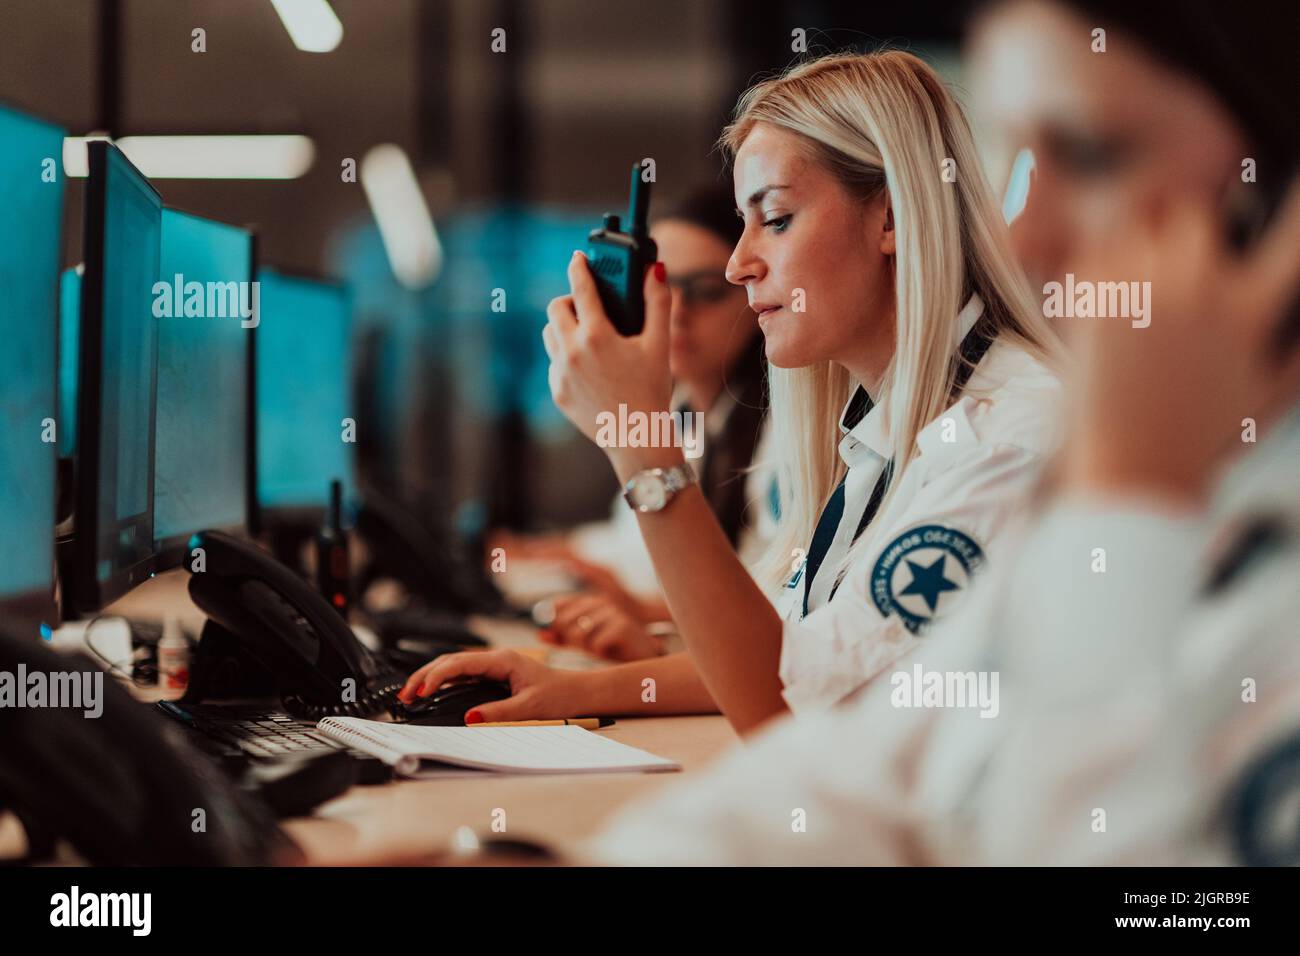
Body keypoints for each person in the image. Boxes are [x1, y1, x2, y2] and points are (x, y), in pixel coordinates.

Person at [571, 0, 1300, 865]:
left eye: (1092, 156)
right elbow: (865, 769)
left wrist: (1130, 515)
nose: (1025, 233)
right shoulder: (1035, 470)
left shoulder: (1041, 444)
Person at [400, 50, 1066, 733]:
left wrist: (642, 450)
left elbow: (781, 716)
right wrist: (569, 691)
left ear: (891, 219)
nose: (739, 264)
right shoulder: (882, 431)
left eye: (774, 219)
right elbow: (798, 665)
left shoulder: (1005, 439)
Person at [496, 184, 773, 662]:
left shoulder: (782, 434)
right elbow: (630, 540)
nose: (676, 314)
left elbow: (774, 621)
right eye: (658, 291)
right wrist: (555, 552)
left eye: (707, 293)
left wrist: (644, 616)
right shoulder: (682, 413)